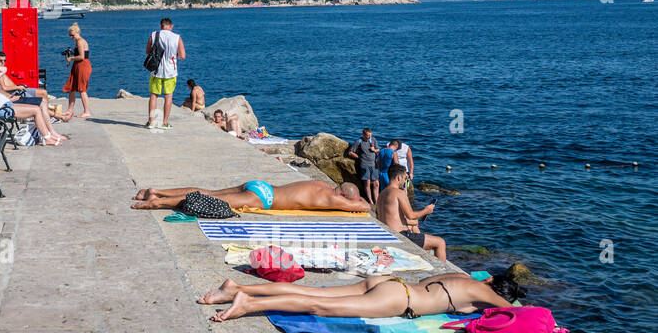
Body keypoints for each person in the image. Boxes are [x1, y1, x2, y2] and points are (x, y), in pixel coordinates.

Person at [197, 267, 524, 322]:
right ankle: (248, 304)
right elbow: (516, 313)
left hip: (390, 282)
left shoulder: (461, 277)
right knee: (316, 307)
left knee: (312, 292)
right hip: (400, 301)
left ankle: (237, 288)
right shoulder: (484, 294)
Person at [132, 178, 369, 214]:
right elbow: (364, 207)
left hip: (261, 184)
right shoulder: (333, 199)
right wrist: (355, 200)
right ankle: (157, 202)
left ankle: (157, 190)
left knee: (208, 192)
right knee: (211, 201)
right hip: (263, 200)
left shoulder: (321, 184)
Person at [0, 58, 66, 145]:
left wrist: (9, 98)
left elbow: (4, 70)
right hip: (4, 108)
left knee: (39, 106)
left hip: (7, 104)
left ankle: (48, 135)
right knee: (37, 109)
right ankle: (47, 137)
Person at [377, 164, 446, 259]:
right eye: (405, 178)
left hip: (387, 234)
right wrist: (426, 210)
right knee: (440, 242)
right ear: (398, 177)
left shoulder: (382, 194)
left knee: (418, 233)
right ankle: (444, 272)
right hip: (400, 236)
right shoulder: (398, 192)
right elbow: (411, 215)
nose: (405, 181)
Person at [145, 17, 185, 131]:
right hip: (171, 71)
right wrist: (173, 55)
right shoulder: (177, 37)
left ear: (161, 26)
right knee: (168, 96)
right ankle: (164, 122)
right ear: (171, 26)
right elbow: (182, 56)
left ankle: (151, 122)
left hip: (156, 70)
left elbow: (147, 52)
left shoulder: (153, 35)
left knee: (153, 95)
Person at [61, 23, 92, 119]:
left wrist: (71, 58)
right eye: (70, 35)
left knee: (82, 89)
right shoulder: (79, 41)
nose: (71, 37)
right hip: (78, 65)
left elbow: (82, 57)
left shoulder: (79, 41)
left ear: (77, 33)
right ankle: (70, 110)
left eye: (72, 35)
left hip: (82, 65)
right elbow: (81, 53)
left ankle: (87, 112)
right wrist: (72, 54)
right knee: (72, 87)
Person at [345, 128, 380, 206]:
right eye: (367, 136)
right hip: (364, 165)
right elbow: (350, 152)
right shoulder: (359, 141)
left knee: (376, 183)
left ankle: (377, 201)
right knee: (367, 183)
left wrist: (374, 150)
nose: (369, 137)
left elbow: (378, 150)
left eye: (370, 135)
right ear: (363, 135)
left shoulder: (373, 140)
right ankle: (370, 201)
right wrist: (359, 157)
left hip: (373, 164)